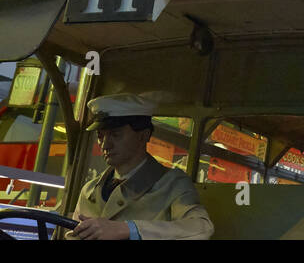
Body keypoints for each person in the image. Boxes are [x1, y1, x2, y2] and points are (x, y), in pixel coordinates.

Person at [70, 93, 213, 240]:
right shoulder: (90, 190)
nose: (105, 144)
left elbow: (201, 228)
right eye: (100, 136)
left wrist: (128, 229)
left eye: (116, 135)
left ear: (143, 136)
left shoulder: (172, 184)